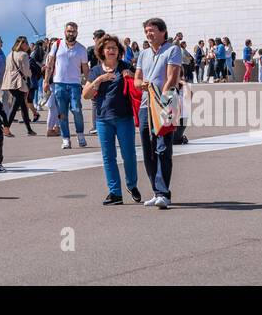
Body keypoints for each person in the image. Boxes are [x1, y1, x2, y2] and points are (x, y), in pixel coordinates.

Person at [82, 33, 141, 205]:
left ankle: (132, 184)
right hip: (103, 119)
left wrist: (130, 75)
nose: (111, 51)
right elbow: (85, 95)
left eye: (114, 48)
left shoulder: (125, 66)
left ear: (119, 50)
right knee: (108, 157)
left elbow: (138, 85)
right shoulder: (95, 71)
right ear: (102, 51)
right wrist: (100, 79)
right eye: (108, 48)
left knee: (129, 154)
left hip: (124, 117)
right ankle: (115, 193)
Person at [133, 17, 181, 209]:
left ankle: (164, 193)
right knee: (148, 150)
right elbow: (137, 81)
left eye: (152, 30)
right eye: (146, 31)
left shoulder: (173, 50)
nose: (148, 34)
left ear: (163, 31)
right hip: (145, 105)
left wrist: (161, 100)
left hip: (166, 102)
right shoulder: (143, 54)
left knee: (163, 148)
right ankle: (155, 190)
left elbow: (172, 77)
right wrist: (141, 85)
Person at [45, 22, 88, 149]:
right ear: (65, 32)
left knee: (76, 110)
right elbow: (50, 63)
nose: (71, 33)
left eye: (73, 31)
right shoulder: (57, 44)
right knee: (62, 113)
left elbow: (85, 68)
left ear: (77, 33)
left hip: (75, 85)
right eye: (69, 31)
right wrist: (46, 81)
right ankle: (66, 139)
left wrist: (89, 83)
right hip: (59, 84)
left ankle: (80, 134)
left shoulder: (81, 49)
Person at [1, 36, 35, 135]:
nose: (27, 45)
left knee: (23, 106)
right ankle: (6, 128)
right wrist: (30, 75)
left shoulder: (9, 54)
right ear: (22, 44)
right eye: (26, 43)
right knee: (15, 106)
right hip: (19, 82)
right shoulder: (23, 55)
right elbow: (26, 72)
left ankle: (29, 129)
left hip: (9, 81)